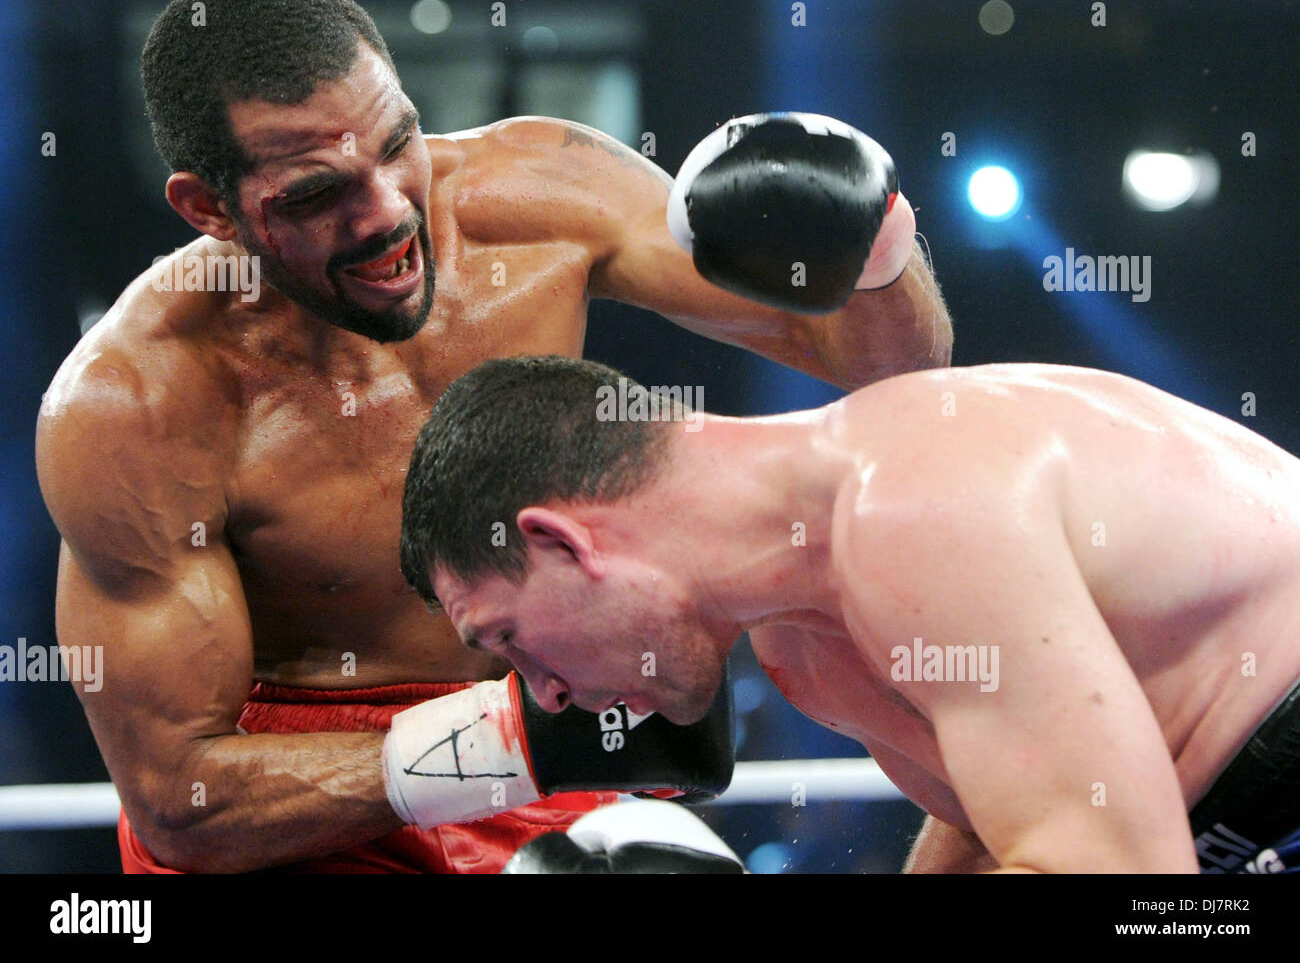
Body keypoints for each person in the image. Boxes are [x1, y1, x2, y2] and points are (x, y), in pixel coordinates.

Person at [34, 0, 950, 873]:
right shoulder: (137, 401)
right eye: (316, 193)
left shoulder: (543, 197)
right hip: (300, 801)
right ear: (209, 208)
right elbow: (178, 802)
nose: (390, 212)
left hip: (540, 734)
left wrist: (872, 245)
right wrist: (521, 747)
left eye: (398, 142)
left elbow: (891, 372)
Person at [403, 355, 1300, 874]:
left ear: (561, 542)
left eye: (508, 639)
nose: (544, 696)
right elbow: (1015, 823)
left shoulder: (911, 507)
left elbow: (1116, 879)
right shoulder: (803, 643)